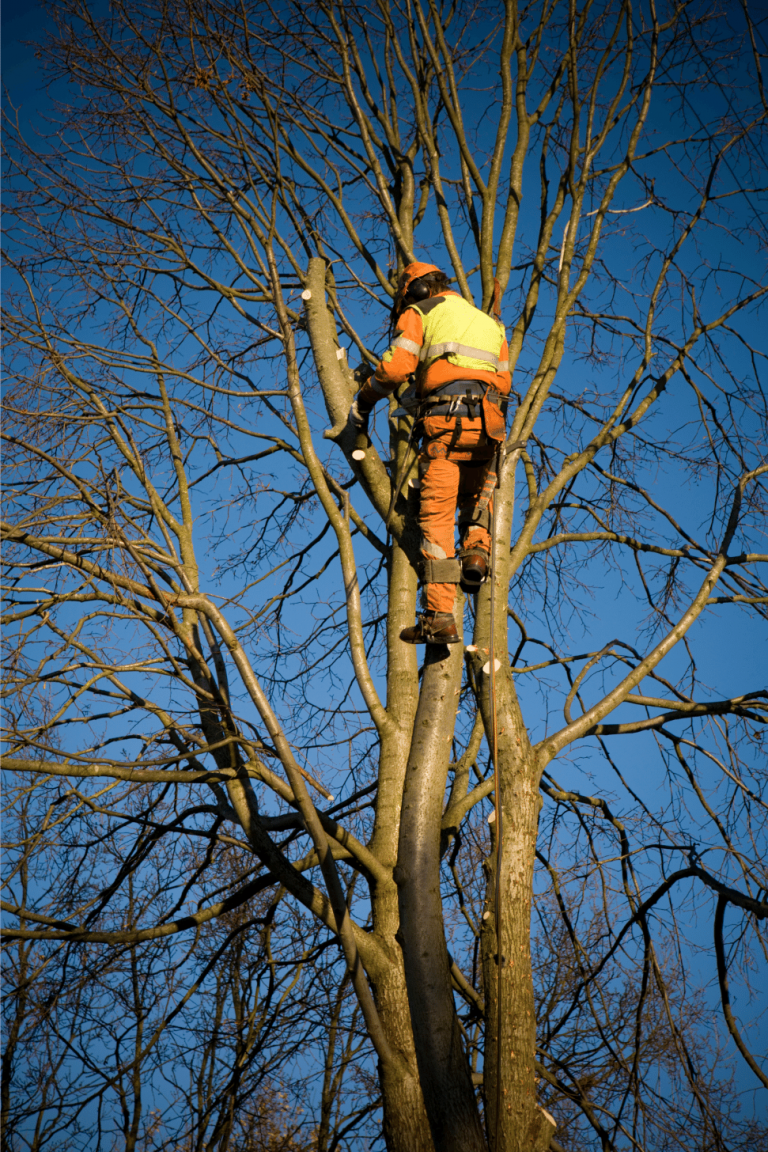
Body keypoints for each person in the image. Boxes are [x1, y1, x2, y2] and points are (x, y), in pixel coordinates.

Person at [348, 262, 511, 645]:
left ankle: (439, 616)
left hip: (446, 428)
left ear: (417, 291)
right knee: (475, 501)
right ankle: (475, 555)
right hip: (490, 424)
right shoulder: (489, 323)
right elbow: (501, 378)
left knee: (436, 519)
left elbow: (395, 369)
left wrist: (365, 399)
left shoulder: (420, 312)